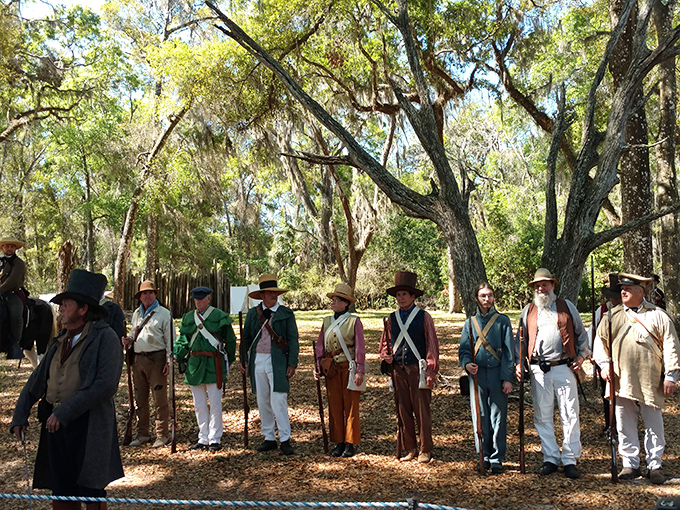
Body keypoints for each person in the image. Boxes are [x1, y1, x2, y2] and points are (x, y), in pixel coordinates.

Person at [10, 269, 124, 510]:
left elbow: (105, 386)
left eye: (66, 304)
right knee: (61, 490)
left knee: (91, 493)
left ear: (83, 309)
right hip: (55, 426)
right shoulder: (60, 339)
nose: (60, 308)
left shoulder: (106, 339)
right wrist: (21, 414)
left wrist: (64, 412)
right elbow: (36, 381)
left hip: (89, 426)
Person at [594, 273, 680, 484]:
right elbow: (600, 344)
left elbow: (671, 346)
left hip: (649, 379)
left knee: (654, 423)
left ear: (640, 292)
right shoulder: (611, 317)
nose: (623, 291)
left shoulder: (658, 315)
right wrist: (604, 366)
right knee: (624, 423)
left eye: (628, 289)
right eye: (622, 288)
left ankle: (654, 465)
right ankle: (630, 464)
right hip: (621, 379)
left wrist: (670, 376)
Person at [515, 268, 589, 479]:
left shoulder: (567, 307)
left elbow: (582, 336)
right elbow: (519, 342)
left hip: (564, 367)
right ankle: (550, 457)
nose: (541, 288)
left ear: (553, 286)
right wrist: (519, 364)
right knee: (542, 415)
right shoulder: (528, 311)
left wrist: (581, 357)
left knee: (570, 414)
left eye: (545, 284)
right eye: (538, 285)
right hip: (539, 369)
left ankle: (569, 459)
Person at [379, 271, 439, 463]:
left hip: (418, 369)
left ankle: (425, 449)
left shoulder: (424, 317)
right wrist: (385, 355)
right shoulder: (391, 318)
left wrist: (431, 370)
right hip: (398, 369)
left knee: (422, 410)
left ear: (413, 296)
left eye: (404, 294)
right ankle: (410, 447)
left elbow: (432, 345)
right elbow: (385, 343)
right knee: (402, 410)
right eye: (398, 295)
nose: (401, 298)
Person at [458, 283, 513, 474]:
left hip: (497, 374)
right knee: (480, 417)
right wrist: (466, 364)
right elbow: (464, 350)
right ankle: (484, 455)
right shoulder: (470, 323)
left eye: (489, 295)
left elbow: (508, 352)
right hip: (477, 375)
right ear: (476, 298)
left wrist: (507, 378)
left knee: (498, 417)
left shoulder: (503, 321)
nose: (486, 299)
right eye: (482, 296)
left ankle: (497, 457)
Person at [241, 274, 299, 455]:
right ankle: (268, 437)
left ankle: (285, 438)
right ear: (262, 296)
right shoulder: (252, 314)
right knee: (262, 400)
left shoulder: (285, 313)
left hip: (278, 361)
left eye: (275, 292)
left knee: (279, 400)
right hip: (258, 359)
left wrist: (292, 363)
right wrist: (242, 359)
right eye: (269, 293)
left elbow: (292, 339)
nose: (273, 295)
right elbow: (246, 338)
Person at [174, 286, 236, 452]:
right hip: (194, 364)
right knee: (199, 404)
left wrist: (229, 360)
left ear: (209, 298)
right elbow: (183, 340)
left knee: (215, 404)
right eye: (196, 298)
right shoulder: (188, 318)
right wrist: (177, 355)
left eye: (202, 298)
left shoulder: (219, 316)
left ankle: (215, 438)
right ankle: (203, 437)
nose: (198, 301)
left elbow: (230, 340)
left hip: (213, 364)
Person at [314, 283, 366, 457]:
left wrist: (360, 370)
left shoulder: (354, 321)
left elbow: (360, 347)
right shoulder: (327, 321)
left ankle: (350, 443)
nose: (333, 303)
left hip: (349, 368)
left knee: (351, 406)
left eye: (336, 300)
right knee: (334, 405)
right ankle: (339, 441)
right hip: (332, 370)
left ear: (345, 303)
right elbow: (320, 346)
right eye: (332, 300)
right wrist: (318, 366)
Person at [122, 280, 174, 448]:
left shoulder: (164, 314)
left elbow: (170, 340)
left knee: (159, 399)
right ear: (140, 296)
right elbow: (133, 333)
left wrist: (168, 360)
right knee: (140, 399)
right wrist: (128, 340)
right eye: (144, 293)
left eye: (150, 292)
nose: (147, 296)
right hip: (138, 360)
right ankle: (143, 433)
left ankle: (162, 434)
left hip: (157, 359)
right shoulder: (137, 313)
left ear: (155, 294)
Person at [587, 273, 622, 432]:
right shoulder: (601, 311)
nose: (615, 300)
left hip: (625, 360)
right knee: (607, 394)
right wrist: (594, 354)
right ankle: (610, 425)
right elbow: (593, 332)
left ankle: (624, 427)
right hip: (606, 360)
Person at [0, 237, 27, 359]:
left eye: (12, 246)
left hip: (12, 293)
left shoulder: (19, 263)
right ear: (2, 248)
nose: (9, 248)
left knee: (16, 314)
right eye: (7, 246)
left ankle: (15, 343)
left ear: (15, 249)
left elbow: (13, 280)